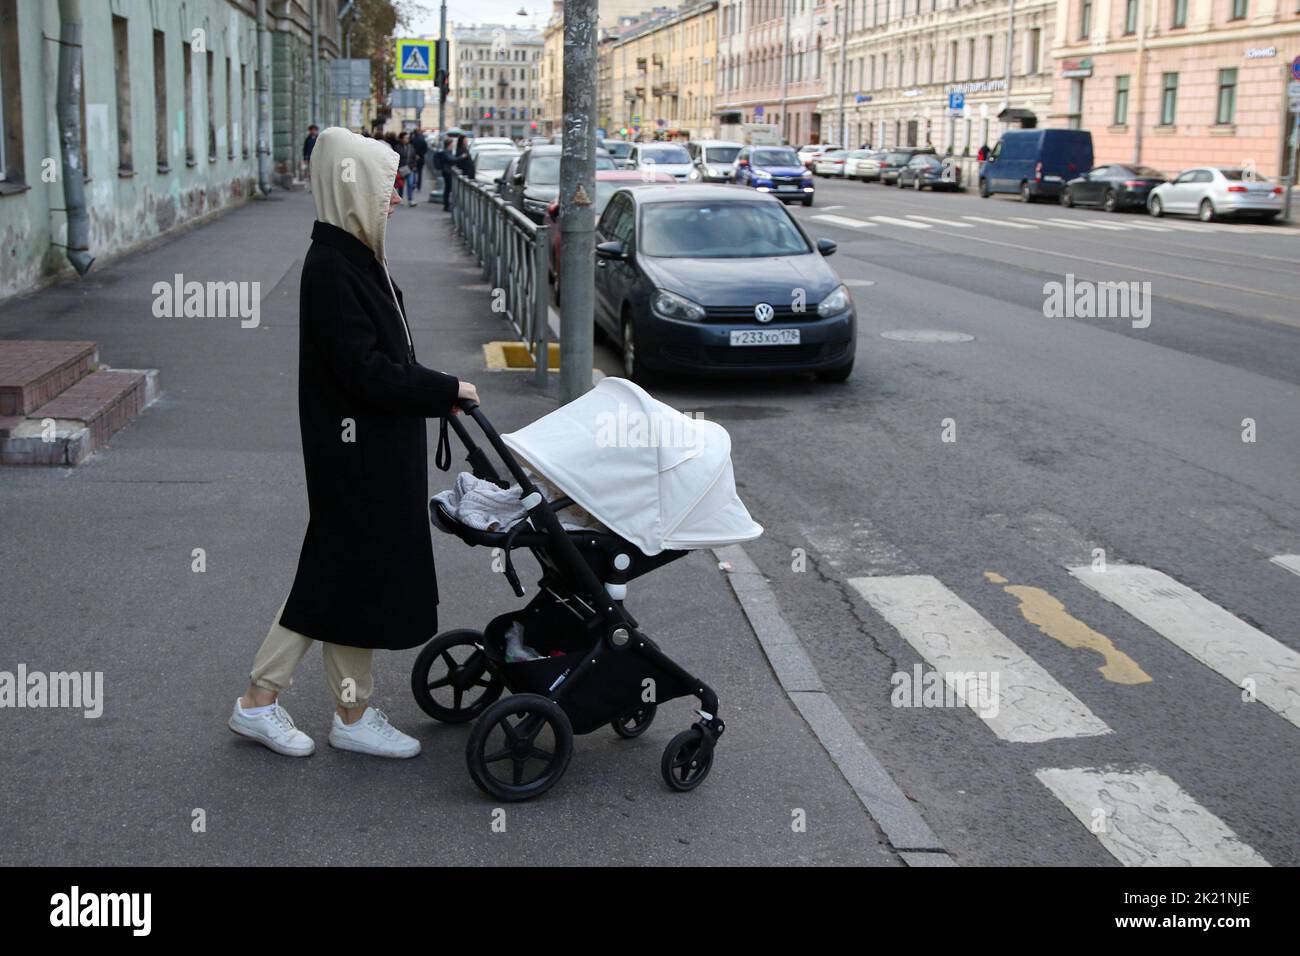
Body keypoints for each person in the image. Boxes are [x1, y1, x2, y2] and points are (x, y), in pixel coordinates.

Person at [228, 127, 479, 759]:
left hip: (368, 450)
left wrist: (432, 393)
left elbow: (377, 361)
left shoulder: (352, 254)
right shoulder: (334, 266)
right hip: (357, 454)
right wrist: (443, 386)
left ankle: (341, 710)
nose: (395, 195)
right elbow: (364, 370)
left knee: (345, 575)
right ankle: (272, 703)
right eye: (383, 184)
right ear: (351, 188)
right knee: (337, 574)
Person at [410, 129, 427, 195]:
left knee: (413, 172)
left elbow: (410, 148)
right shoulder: (422, 140)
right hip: (421, 158)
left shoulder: (412, 140)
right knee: (420, 173)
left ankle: (413, 184)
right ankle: (419, 186)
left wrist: (415, 155)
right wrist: (420, 155)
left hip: (413, 158)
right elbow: (425, 149)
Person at [301, 124, 318, 189]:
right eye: (312, 130)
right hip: (309, 158)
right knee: (309, 172)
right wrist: (305, 158)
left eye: (314, 130)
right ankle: (310, 186)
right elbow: (305, 149)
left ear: (316, 131)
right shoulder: (307, 139)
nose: (313, 131)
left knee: (316, 172)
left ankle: (316, 186)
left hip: (317, 158)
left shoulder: (319, 138)